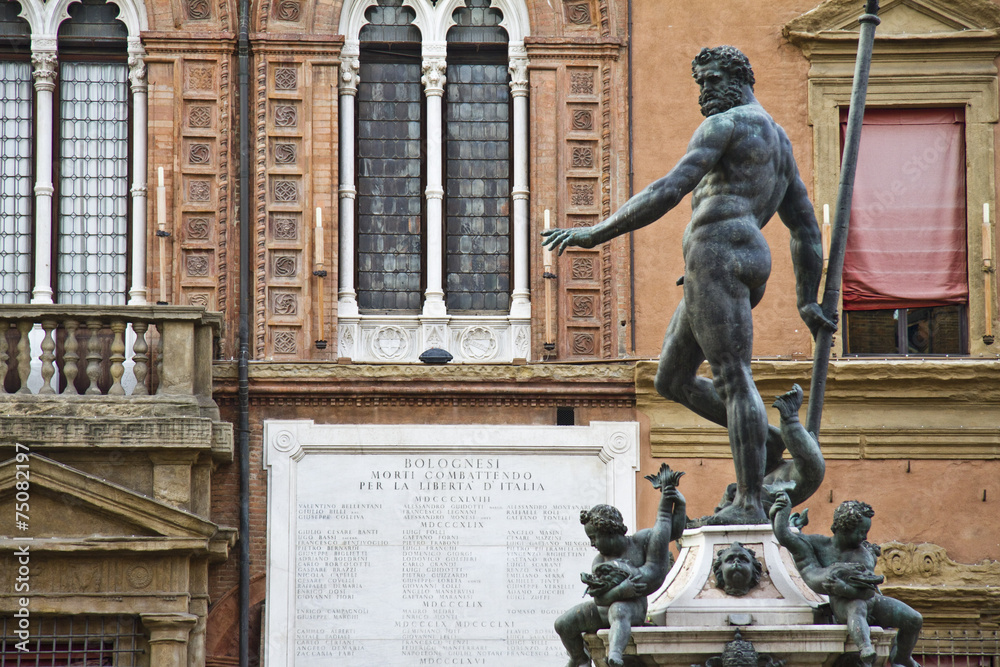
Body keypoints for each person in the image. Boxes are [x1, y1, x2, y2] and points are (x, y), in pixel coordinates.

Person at [542, 46, 835, 525]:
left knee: (732, 376)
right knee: (672, 379)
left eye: (712, 80)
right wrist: (805, 299)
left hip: (716, 254)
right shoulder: (779, 143)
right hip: (737, 257)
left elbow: (669, 189)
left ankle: (748, 502)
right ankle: (767, 440)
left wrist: (595, 233)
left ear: (740, 78)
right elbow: (805, 228)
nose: (704, 92)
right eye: (700, 82)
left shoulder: (727, 126)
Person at [555, 464, 686, 667]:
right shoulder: (600, 560)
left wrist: (680, 506)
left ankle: (615, 653)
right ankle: (580, 658)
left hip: (632, 608)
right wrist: (622, 590)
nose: (592, 544)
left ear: (610, 531)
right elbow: (600, 599)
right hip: (602, 610)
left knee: (618, 611)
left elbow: (671, 531)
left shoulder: (641, 540)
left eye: (594, 537)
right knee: (563, 623)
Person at [770, 493, 923, 667]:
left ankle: (902, 658)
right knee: (855, 607)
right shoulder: (819, 544)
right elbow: (787, 538)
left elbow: (866, 592)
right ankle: (865, 647)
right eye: (861, 532)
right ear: (845, 528)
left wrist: (843, 588)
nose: (864, 537)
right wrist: (779, 513)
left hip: (867, 599)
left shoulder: (863, 555)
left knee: (914, 619)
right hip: (843, 604)